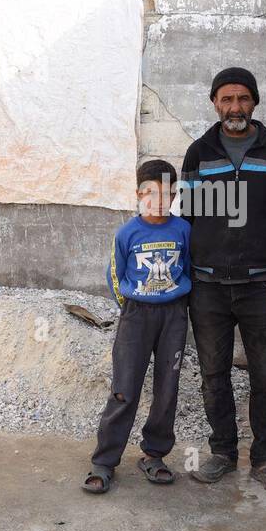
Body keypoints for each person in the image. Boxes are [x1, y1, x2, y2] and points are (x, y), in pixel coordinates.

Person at [181, 67, 266, 495]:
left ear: (255, 102)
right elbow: (190, 218)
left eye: (243, 99)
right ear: (214, 102)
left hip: (262, 285)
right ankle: (222, 453)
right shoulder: (199, 153)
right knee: (213, 374)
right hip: (208, 287)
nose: (235, 107)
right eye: (226, 99)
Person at [83, 159, 191, 494]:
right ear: (138, 194)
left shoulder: (183, 230)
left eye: (167, 193)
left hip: (173, 315)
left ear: (175, 194)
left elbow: (189, 266)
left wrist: (175, 301)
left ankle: (153, 454)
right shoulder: (127, 233)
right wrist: (131, 306)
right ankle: (104, 460)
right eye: (151, 193)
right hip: (136, 316)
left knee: (167, 387)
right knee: (124, 387)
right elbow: (115, 275)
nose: (159, 200)